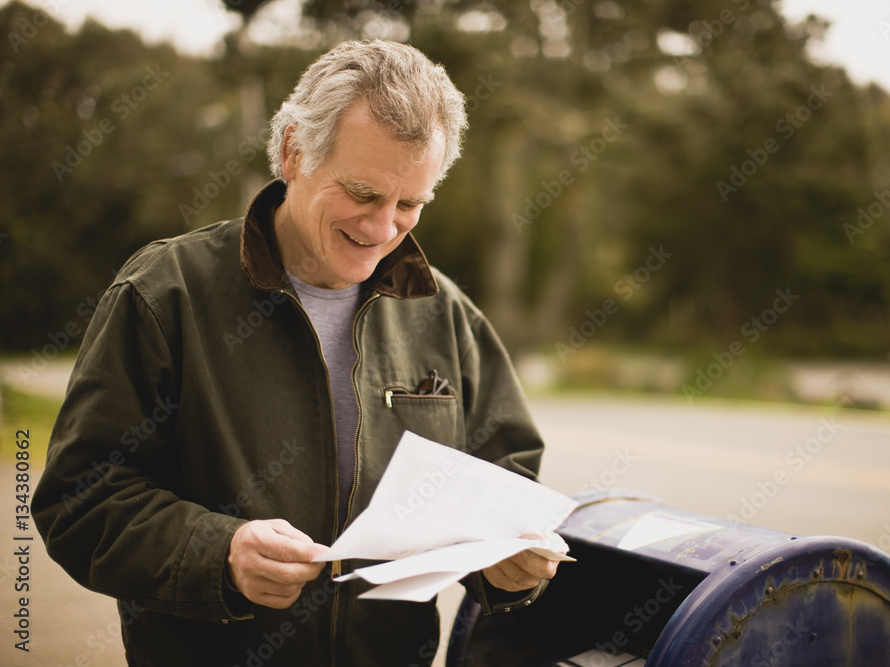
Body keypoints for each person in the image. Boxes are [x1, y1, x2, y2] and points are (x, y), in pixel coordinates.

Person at [32, 39, 559, 666]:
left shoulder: (444, 313)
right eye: (362, 193)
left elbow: (506, 485)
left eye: (410, 204)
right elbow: (81, 498)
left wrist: (508, 568)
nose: (382, 228)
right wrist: (218, 552)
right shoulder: (164, 293)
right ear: (291, 151)